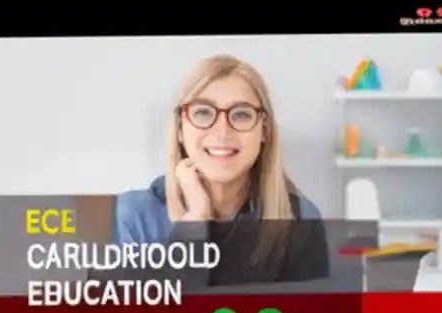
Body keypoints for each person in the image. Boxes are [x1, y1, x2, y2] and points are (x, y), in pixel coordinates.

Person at [113, 54, 330, 287]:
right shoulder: (133, 215)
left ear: (264, 131)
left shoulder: (301, 218)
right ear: (180, 129)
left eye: (242, 114)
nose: (223, 132)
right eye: (203, 113)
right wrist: (193, 226)